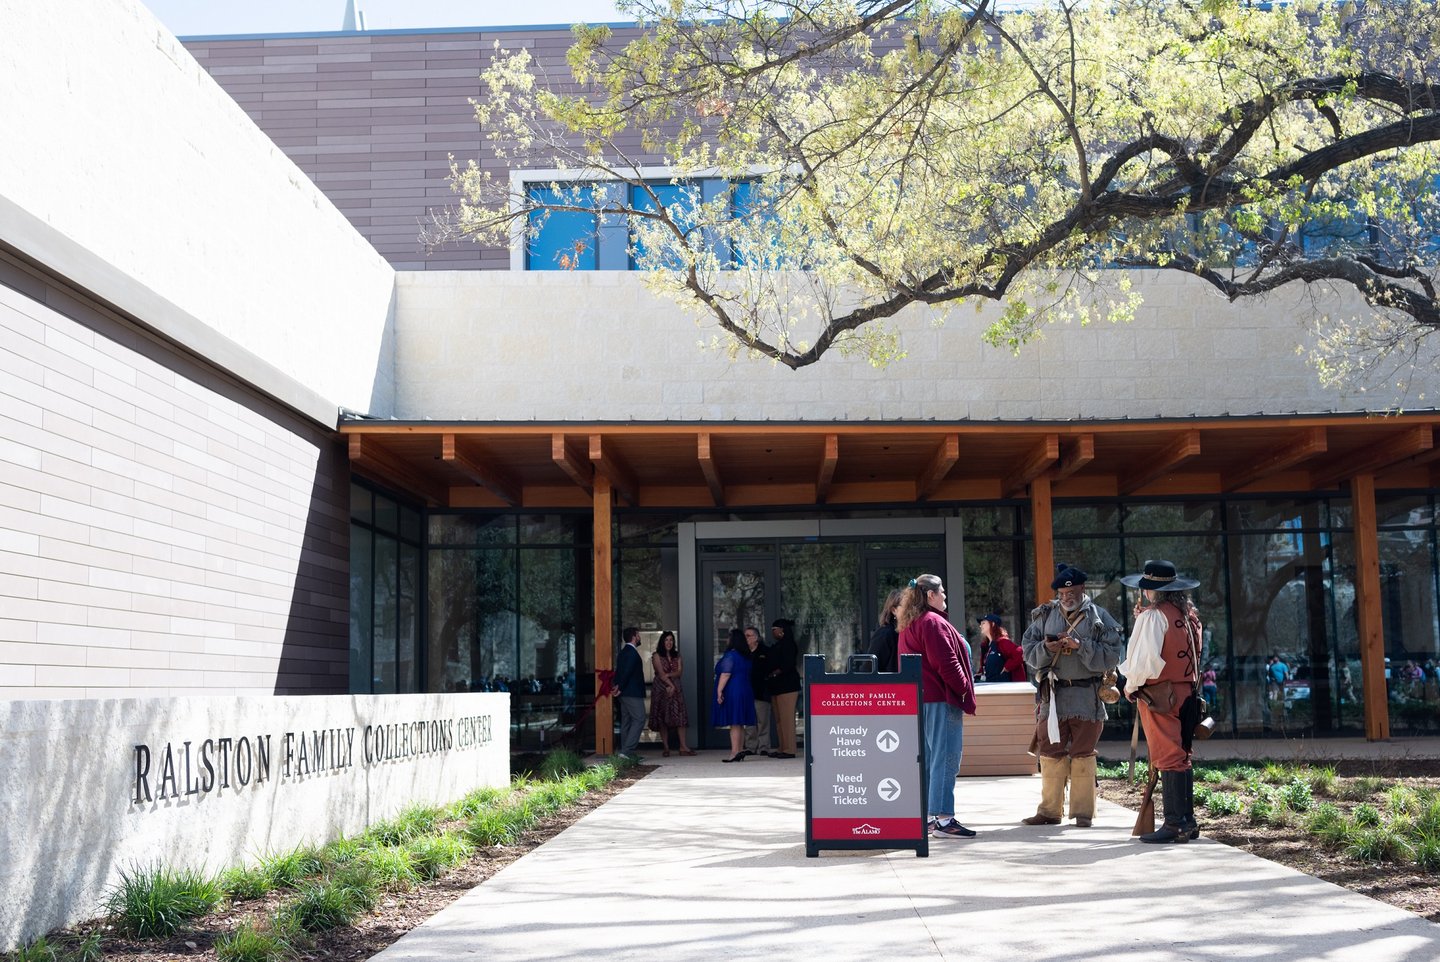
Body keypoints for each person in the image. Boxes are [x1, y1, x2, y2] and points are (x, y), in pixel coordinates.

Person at [1020, 563, 1123, 828]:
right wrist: (1046, 647)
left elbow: (1113, 656)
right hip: (1052, 696)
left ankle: (1083, 813)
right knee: (1050, 752)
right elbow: (1028, 651)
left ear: (1082, 589)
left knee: (1083, 753)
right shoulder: (1044, 616)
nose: (1066, 598)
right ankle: (1049, 811)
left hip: (1086, 697)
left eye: (1071, 593)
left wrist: (1081, 646)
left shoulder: (1100, 617)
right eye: (1062, 594)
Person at [1118, 559, 1205, 844]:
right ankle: (1187, 822)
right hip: (1187, 692)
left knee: (1168, 755)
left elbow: (1144, 661)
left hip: (1161, 695)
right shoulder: (1189, 615)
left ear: (1152, 591)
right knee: (1182, 754)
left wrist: (1130, 686)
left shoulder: (1153, 616)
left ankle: (1174, 824)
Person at [897, 573, 977, 838]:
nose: (945, 596)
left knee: (932, 760)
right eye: (942, 591)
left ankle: (932, 818)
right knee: (946, 759)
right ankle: (944, 819)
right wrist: (965, 687)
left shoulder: (911, 622)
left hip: (923, 699)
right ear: (930, 595)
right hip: (941, 700)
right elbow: (947, 663)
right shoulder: (932, 622)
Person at [712, 628, 757, 763]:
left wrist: (719, 691)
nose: (727, 640)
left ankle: (734, 752)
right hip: (745, 689)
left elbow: (726, 674)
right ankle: (739, 750)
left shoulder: (731, 655)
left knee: (735, 722)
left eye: (729, 637)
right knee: (740, 722)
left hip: (734, 690)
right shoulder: (746, 656)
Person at [649, 631, 694, 756]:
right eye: (666, 640)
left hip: (676, 689)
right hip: (661, 688)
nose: (669, 642)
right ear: (662, 642)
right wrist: (671, 685)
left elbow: (679, 672)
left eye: (671, 640)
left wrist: (671, 678)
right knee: (663, 717)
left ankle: (683, 747)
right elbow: (661, 674)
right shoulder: (656, 655)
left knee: (680, 717)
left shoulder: (677, 655)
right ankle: (666, 747)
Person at [765, 618, 801, 759]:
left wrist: (775, 673)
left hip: (787, 687)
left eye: (775, 629)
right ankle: (782, 747)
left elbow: (788, 664)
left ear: (782, 630)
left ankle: (790, 750)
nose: (773, 632)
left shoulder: (789, 645)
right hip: (777, 687)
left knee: (787, 719)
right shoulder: (778, 645)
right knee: (779, 720)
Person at [613, 626, 647, 760]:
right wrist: (619, 687)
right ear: (634, 636)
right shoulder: (632, 653)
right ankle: (627, 751)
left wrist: (617, 687)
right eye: (638, 635)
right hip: (632, 692)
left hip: (624, 693)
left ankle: (625, 752)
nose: (639, 638)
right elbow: (627, 672)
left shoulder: (622, 652)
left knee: (627, 721)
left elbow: (619, 671)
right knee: (639, 719)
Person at [743, 626, 774, 756]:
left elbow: (770, 670)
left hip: (761, 692)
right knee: (750, 722)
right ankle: (750, 746)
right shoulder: (743, 653)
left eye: (748, 635)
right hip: (746, 692)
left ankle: (764, 747)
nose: (746, 638)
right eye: (745, 636)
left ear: (756, 638)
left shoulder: (765, 652)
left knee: (763, 721)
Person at [978, 613, 1026, 683]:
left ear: (993, 624)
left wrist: (1007, 667)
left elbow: (1020, 652)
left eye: (983, 623)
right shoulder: (986, 646)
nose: (980, 626)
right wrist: (980, 673)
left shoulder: (1002, 642)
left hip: (1004, 689)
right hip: (989, 688)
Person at [866, 588, 906, 673]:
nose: (912, 610)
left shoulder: (910, 632)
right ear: (894, 610)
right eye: (907, 606)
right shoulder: (885, 634)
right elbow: (869, 669)